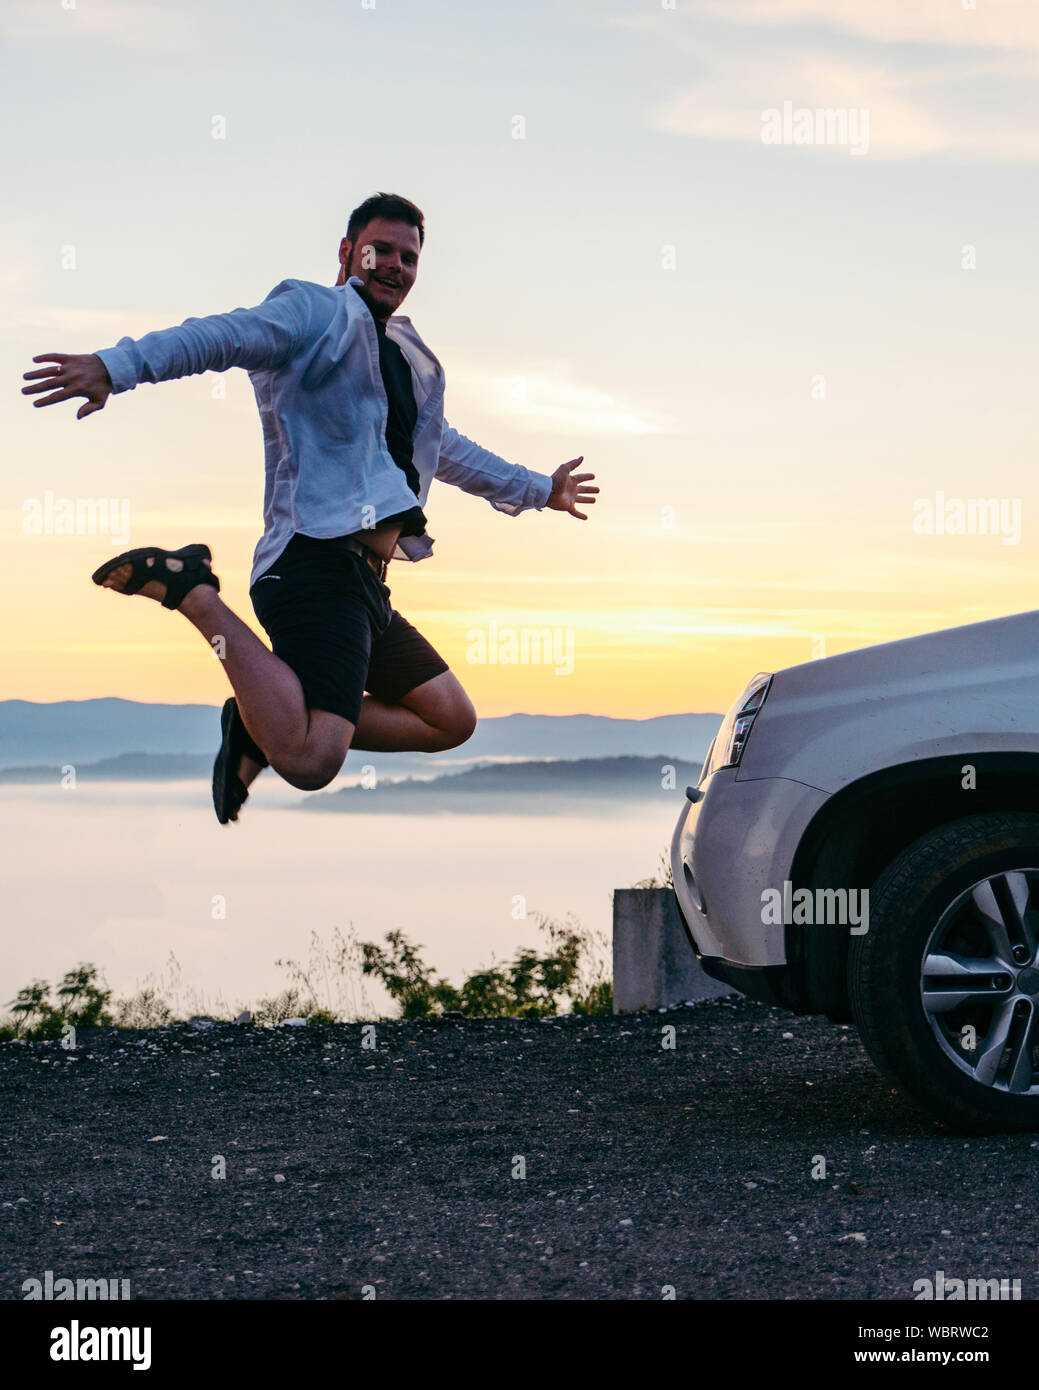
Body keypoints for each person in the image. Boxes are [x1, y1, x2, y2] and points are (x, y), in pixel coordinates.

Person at [21, 192, 598, 822]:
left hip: (364, 584)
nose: (395, 266)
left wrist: (540, 490)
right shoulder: (314, 313)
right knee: (309, 759)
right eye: (381, 250)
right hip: (312, 565)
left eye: (409, 258)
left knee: (450, 719)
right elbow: (221, 336)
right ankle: (194, 593)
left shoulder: (405, 361)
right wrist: (118, 366)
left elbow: (445, 449)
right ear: (348, 251)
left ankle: (258, 717)